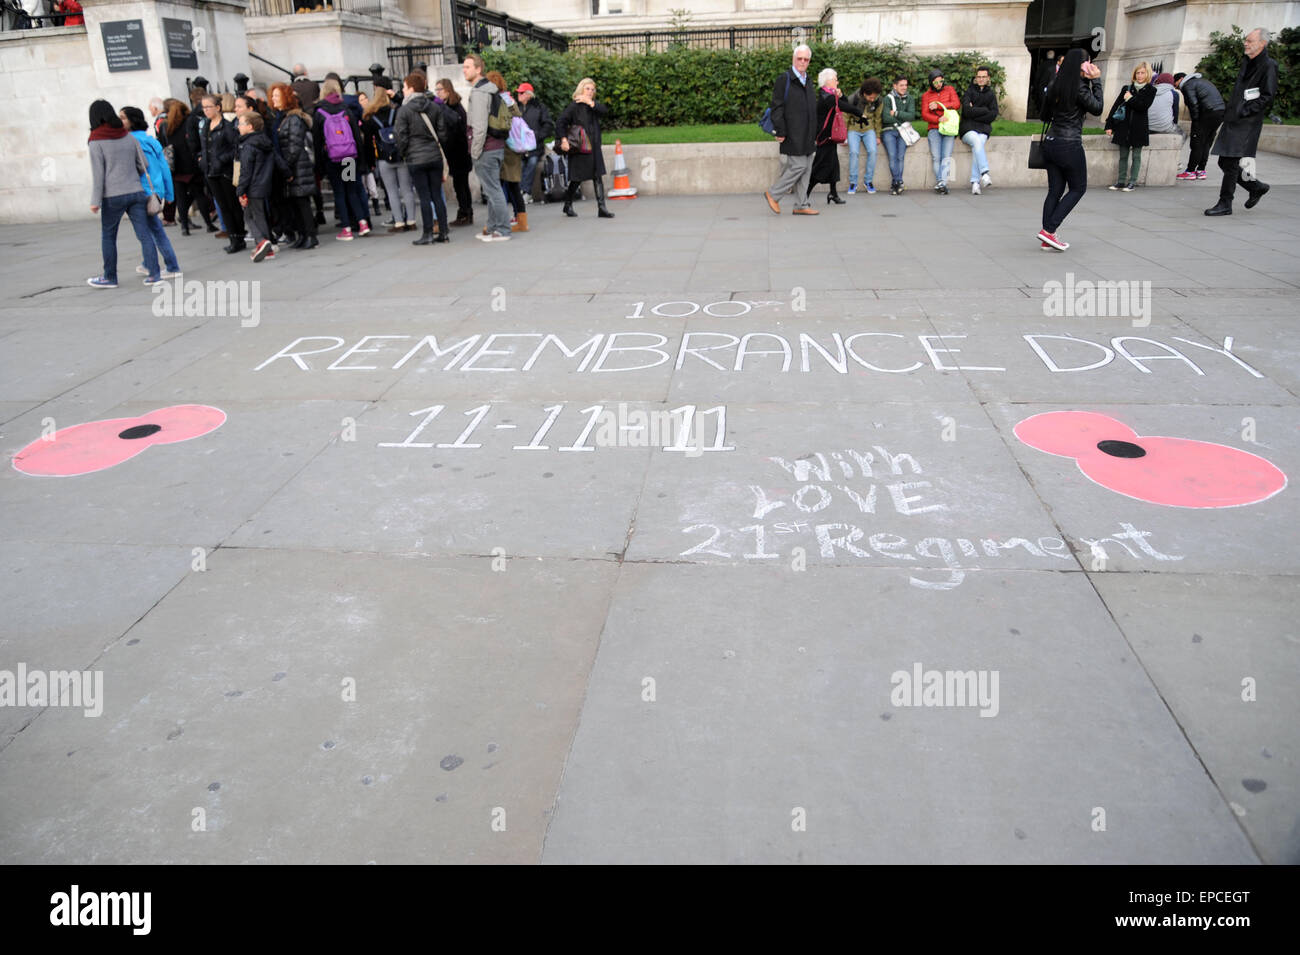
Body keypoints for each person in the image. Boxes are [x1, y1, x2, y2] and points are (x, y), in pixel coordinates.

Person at [85, 100, 158, 289]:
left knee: (109, 236)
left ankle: (110, 277)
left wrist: (95, 201)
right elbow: (144, 165)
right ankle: (155, 274)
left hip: (112, 196)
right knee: (144, 234)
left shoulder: (95, 140)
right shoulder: (127, 136)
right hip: (136, 191)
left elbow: (98, 174)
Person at [1205, 28, 1277, 216]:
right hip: (1233, 119)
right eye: (1246, 40)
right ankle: (1256, 187)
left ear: (1262, 43)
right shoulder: (1248, 62)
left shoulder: (1268, 65)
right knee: (1224, 162)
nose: (1245, 43)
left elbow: (1267, 96)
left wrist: (1245, 111)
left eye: (1250, 40)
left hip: (1247, 121)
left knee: (1231, 161)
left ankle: (1225, 203)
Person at [1038, 49, 1103, 251]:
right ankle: (1048, 230)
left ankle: (1048, 236)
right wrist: (1097, 81)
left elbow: (1044, 115)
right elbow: (1098, 108)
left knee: (1055, 190)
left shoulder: (1055, 84)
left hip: (1051, 142)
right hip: (1069, 143)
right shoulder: (1080, 88)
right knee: (1078, 188)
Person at [121, 106, 182, 280]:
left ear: (132, 121)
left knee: (151, 231)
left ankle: (171, 265)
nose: (120, 121)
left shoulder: (129, 141)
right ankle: (150, 264)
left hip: (143, 190)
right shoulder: (151, 140)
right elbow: (164, 168)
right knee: (151, 228)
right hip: (156, 190)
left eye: (123, 118)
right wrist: (169, 193)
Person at [395, 71, 451, 246]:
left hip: (416, 158)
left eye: (404, 87)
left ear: (411, 89)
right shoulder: (434, 107)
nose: (403, 91)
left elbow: (400, 136)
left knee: (424, 196)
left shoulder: (404, 110)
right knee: (437, 195)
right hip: (434, 156)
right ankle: (443, 232)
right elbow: (442, 134)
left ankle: (427, 233)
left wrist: (405, 153)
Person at [763, 44, 819, 215]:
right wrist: (780, 131)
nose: (802, 62)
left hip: (808, 134)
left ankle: (801, 205)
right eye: (799, 58)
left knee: (807, 167)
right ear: (793, 59)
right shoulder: (784, 79)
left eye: (806, 59)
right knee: (799, 166)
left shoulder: (808, 80)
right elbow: (777, 107)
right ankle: (773, 194)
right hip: (792, 133)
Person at [314, 77, 371, 240]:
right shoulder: (346, 109)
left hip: (331, 158)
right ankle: (362, 223)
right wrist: (361, 159)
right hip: (349, 156)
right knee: (352, 190)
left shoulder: (319, 112)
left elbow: (317, 142)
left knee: (339, 192)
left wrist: (319, 166)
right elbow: (356, 136)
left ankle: (346, 228)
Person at [463, 53, 511, 241]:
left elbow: (480, 126)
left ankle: (503, 229)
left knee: (493, 190)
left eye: (468, 67)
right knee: (492, 189)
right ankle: (492, 227)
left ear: (478, 69)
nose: (464, 70)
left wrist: (475, 151)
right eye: (464, 67)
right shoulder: (490, 90)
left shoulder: (480, 92)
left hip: (486, 149)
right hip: (495, 146)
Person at [557, 77, 614, 219]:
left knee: (597, 176)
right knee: (577, 178)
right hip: (580, 147)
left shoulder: (593, 105)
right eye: (587, 89)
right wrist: (564, 140)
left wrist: (591, 103)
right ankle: (568, 204)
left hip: (594, 146)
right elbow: (560, 122)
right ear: (581, 89)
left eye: (592, 90)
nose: (590, 92)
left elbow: (605, 111)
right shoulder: (574, 106)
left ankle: (602, 208)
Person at [364, 86, 418, 233]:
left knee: (392, 191)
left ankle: (399, 222)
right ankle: (411, 220)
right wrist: (395, 97)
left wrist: (370, 163)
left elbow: (368, 143)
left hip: (383, 158)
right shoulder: (398, 111)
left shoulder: (370, 118)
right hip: (401, 154)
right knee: (407, 190)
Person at [271, 84, 319, 250]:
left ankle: (310, 236)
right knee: (295, 203)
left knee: (302, 202)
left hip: (297, 167)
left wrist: (287, 167)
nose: (273, 99)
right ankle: (303, 234)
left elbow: (294, 145)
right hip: (291, 166)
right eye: (273, 96)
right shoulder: (283, 117)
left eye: (277, 96)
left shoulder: (294, 119)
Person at [806, 68, 861, 205]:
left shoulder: (830, 94)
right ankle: (804, 195)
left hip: (830, 136)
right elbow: (844, 107)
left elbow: (843, 103)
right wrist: (860, 113)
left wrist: (841, 94)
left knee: (833, 165)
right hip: (824, 136)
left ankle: (833, 193)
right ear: (828, 81)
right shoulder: (827, 96)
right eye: (835, 79)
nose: (837, 81)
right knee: (819, 167)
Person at [199, 93, 246, 252]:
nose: (206, 110)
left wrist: (220, 159)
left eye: (208, 107)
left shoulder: (227, 126)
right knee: (223, 206)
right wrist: (202, 160)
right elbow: (204, 148)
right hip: (211, 172)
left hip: (225, 171)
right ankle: (232, 236)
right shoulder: (205, 126)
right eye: (203, 107)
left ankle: (239, 236)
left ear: (218, 107)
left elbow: (235, 148)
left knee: (232, 205)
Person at [235, 111, 285, 262]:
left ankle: (262, 241)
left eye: (241, 124)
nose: (238, 127)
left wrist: (240, 190)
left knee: (249, 216)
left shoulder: (248, 145)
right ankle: (266, 245)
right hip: (264, 184)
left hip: (252, 186)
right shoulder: (264, 141)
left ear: (250, 126)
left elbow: (245, 170)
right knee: (259, 215)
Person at [487, 70, 528, 232]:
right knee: (512, 185)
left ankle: (502, 220)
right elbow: (517, 115)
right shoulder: (509, 99)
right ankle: (521, 219)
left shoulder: (496, 100)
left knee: (501, 186)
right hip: (513, 146)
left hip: (503, 145)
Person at [1104, 62, 1155, 192]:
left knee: (1136, 156)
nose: (1139, 75)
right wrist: (1109, 125)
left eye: (1142, 73)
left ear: (1147, 74)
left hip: (1139, 128)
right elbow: (1116, 106)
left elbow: (1143, 106)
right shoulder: (1126, 88)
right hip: (1124, 127)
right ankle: (1121, 181)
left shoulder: (1150, 90)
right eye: (1138, 73)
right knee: (1123, 155)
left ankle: (1132, 181)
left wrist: (1130, 99)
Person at [434, 78, 474, 226]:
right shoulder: (450, 106)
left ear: (447, 90)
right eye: (436, 89)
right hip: (456, 151)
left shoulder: (454, 107)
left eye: (440, 89)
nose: (437, 92)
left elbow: (456, 128)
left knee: (460, 184)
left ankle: (465, 213)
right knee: (461, 184)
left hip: (459, 150)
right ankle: (465, 211)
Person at [1174, 71, 1224, 180]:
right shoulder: (1202, 82)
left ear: (1181, 79)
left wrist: (1195, 122)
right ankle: (1201, 170)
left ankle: (1190, 171)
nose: (1177, 87)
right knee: (1206, 142)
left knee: (1197, 142)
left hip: (1207, 113)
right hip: (1219, 112)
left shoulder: (1188, 85)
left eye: (1176, 84)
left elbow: (1193, 104)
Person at [959, 65, 998, 195]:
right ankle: (985, 173)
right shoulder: (969, 92)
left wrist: (974, 110)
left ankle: (975, 183)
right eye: (979, 77)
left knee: (979, 142)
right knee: (976, 140)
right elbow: (966, 111)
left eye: (983, 77)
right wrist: (984, 110)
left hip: (983, 128)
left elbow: (993, 114)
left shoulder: (991, 94)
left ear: (988, 78)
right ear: (976, 78)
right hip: (968, 128)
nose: (981, 79)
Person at [921, 68, 960, 194]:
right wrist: (938, 119)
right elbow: (925, 114)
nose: (939, 84)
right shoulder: (926, 96)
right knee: (936, 157)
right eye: (936, 82)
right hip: (934, 128)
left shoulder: (950, 90)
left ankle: (941, 183)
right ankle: (941, 182)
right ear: (931, 83)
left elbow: (956, 104)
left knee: (946, 157)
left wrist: (938, 105)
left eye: (941, 81)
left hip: (948, 128)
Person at [845, 78, 883, 195]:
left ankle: (868, 181)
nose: (872, 99)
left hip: (869, 128)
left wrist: (877, 135)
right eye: (870, 97)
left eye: (874, 97)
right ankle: (853, 182)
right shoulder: (853, 99)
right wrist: (844, 135)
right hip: (854, 128)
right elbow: (845, 116)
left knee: (872, 151)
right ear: (864, 93)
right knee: (854, 152)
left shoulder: (878, 101)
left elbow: (878, 118)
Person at [880, 76, 917, 195]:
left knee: (900, 157)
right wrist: (901, 119)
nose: (904, 88)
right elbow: (885, 118)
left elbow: (911, 116)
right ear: (894, 86)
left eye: (906, 85)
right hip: (889, 131)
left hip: (903, 132)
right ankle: (898, 182)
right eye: (901, 85)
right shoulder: (887, 99)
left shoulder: (910, 98)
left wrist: (896, 113)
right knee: (892, 156)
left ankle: (896, 184)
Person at [516, 82, 553, 201]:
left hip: (535, 145)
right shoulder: (516, 108)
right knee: (520, 165)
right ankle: (523, 192)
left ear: (528, 95)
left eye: (521, 93)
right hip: (520, 146)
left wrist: (538, 136)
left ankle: (525, 192)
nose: (519, 95)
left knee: (532, 162)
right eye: (518, 93)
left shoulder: (539, 107)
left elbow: (547, 124)